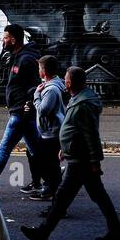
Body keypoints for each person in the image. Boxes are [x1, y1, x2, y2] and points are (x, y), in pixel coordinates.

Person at [20, 65, 120, 240]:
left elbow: (91, 135)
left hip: (81, 161)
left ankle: (43, 233)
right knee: (97, 196)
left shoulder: (83, 104)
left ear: (70, 83)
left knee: (63, 197)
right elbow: (74, 129)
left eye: (66, 80)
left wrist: (94, 162)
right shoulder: (78, 98)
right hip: (78, 156)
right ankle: (116, 232)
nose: (63, 82)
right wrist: (64, 147)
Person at [0, 24, 43, 183]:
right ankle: (53, 176)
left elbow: (34, 85)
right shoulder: (16, 56)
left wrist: (27, 107)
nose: (2, 41)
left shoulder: (26, 59)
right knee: (35, 150)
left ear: (13, 40)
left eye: (5, 38)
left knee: (3, 150)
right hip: (19, 112)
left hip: (20, 113)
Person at [29, 55, 67, 201]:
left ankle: (52, 190)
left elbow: (44, 110)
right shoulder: (51, 85)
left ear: (44, 70)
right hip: (47, 132)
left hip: (52, 133)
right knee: (43, 160)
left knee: (46, 164)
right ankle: (52, 186)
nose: (38, 70)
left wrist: (36, 95)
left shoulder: (50, 90)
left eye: (39, 68)